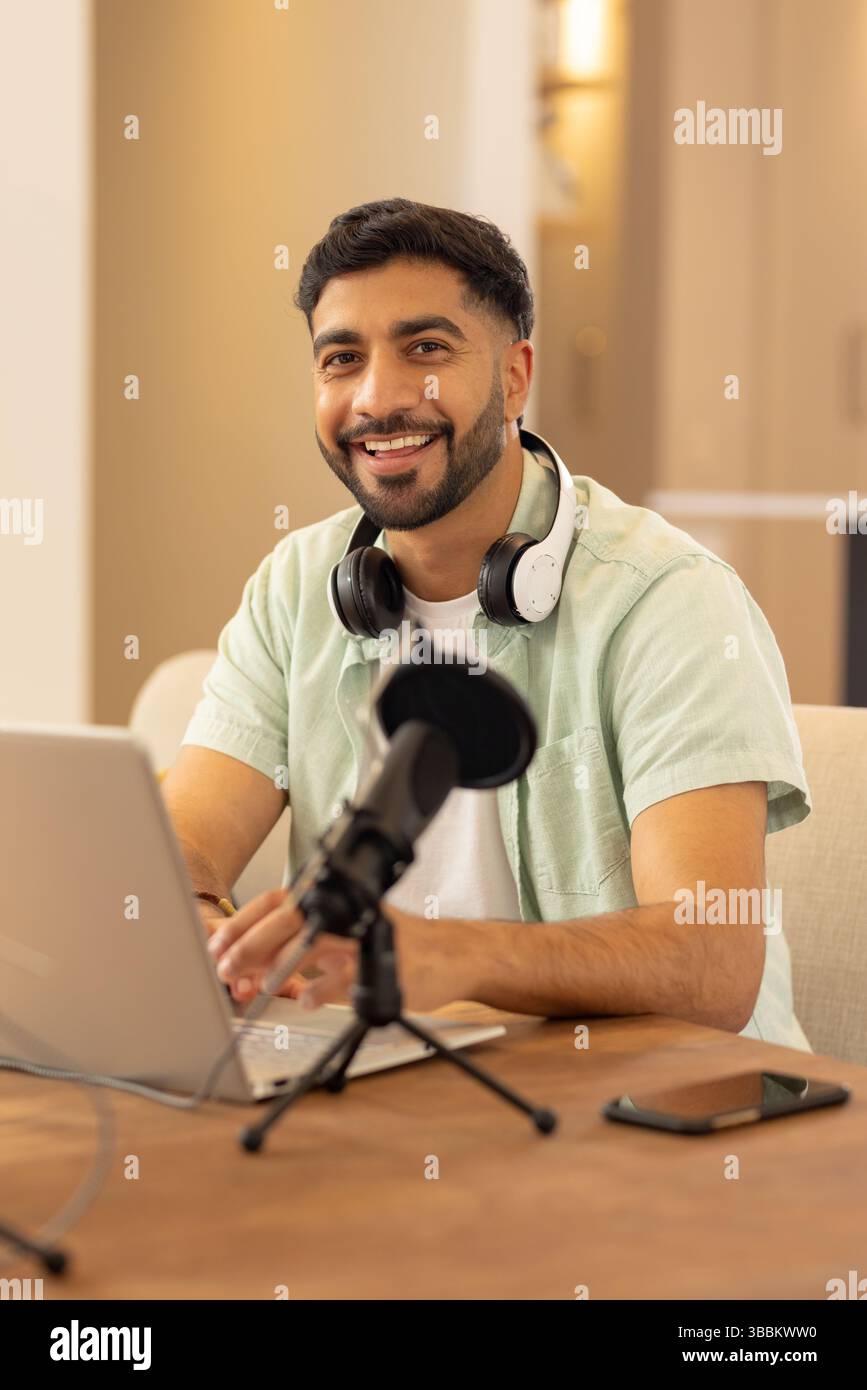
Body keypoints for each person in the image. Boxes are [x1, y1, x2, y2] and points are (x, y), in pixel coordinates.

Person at [161, 198, 811, 1050]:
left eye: (425, 349)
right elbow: (177, 849)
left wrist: (441, 957)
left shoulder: (669, 599)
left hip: (643, 1113)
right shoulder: (297, 588)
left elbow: (712, 963)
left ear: (514, 376)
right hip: (381, 1089)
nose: (378, 398)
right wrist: (215, 940)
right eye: (341, 359)